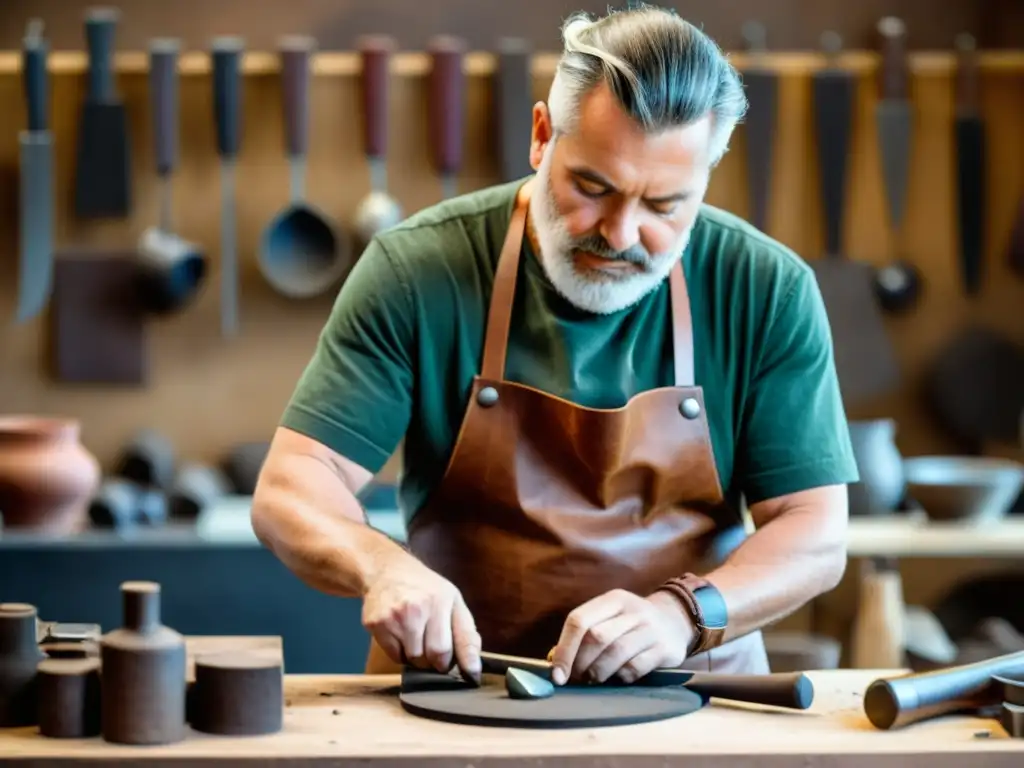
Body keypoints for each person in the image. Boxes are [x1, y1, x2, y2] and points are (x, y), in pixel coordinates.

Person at [251, 4, 858, 686]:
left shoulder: (764, 287)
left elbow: (815, 530)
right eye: (593, 188)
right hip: (456, 691)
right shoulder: (418, 270)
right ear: (542, 137)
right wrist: (382, 565)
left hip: (692, 694)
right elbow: (291, 487)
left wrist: (683, 615)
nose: (621, 233)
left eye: (665, 206)